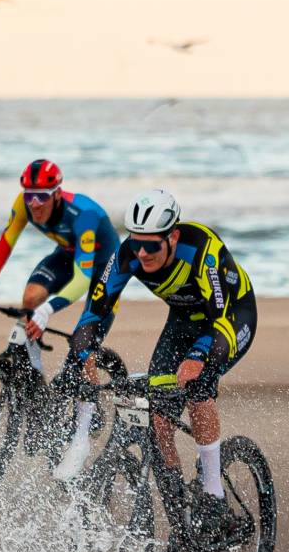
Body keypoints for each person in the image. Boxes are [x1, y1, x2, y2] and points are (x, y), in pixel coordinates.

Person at [64, 189, 257, 527]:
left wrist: (198, 358)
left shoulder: (202, 251)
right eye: (137, 242)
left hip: (230, 319)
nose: (142, 252)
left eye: (152, 245)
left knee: (198, 385)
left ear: (174, 236)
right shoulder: (130, 255)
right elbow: (94, 311)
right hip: (182, 322)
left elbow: (220, 317)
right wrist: (83, 354)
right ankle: (182, 524)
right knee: (158, 419)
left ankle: (213, 493)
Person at [0, 158, 119, 373]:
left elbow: (82, 279)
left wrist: (47, 311)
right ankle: (35, 378)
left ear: (57, 194)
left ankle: (87, 407)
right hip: (69, 253)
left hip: (106, 267)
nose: (34, 203)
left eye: (42, 196)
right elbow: (2, 249)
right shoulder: (23, 205)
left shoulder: (83, 216)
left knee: (82, 347)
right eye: (29, 195)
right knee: (31, 298)